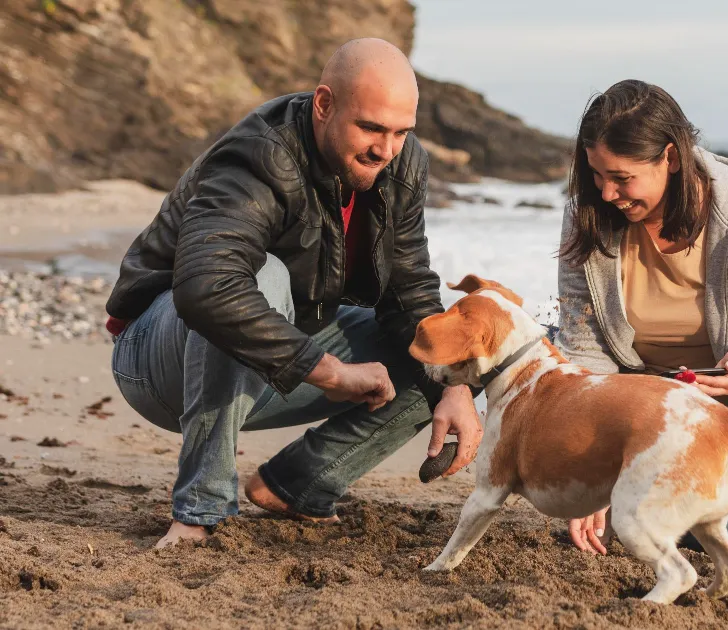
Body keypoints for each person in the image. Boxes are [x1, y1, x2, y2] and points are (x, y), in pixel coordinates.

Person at [105, 38, 482, 549]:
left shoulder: (402, 164)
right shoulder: (260, 153)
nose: (386, 149)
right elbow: (207, 287)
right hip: (157, 361)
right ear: (324, 104)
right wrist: (329, 370)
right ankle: (201, 511)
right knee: (262, 278)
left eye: (400, 132)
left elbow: (410, 288)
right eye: (371, 128)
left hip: (276, 356)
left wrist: (455, 386)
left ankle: (298, 484)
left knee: (454, 350)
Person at [554, 80, 728, 559]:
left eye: (622, 177)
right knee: (573, 505)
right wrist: (591, 464)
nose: (607, 192)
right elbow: (584, 344)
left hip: (725, 408)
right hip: (626, 399)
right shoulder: (588, 215)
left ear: (671, 159)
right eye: (596, 174)